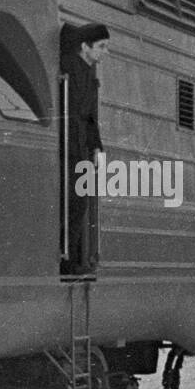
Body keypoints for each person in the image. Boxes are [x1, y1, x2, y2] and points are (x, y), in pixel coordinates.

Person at [60, 22, 109, 275]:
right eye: (101, 46)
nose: (104, 52)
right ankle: (67, 260)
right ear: (84, 46)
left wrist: (97, 148)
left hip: (80, 146)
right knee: (71, 200)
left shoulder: (89, 73)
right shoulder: (67, 66)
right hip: (66, 143)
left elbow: (90, 116)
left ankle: (72, 260)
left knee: (79, 202)